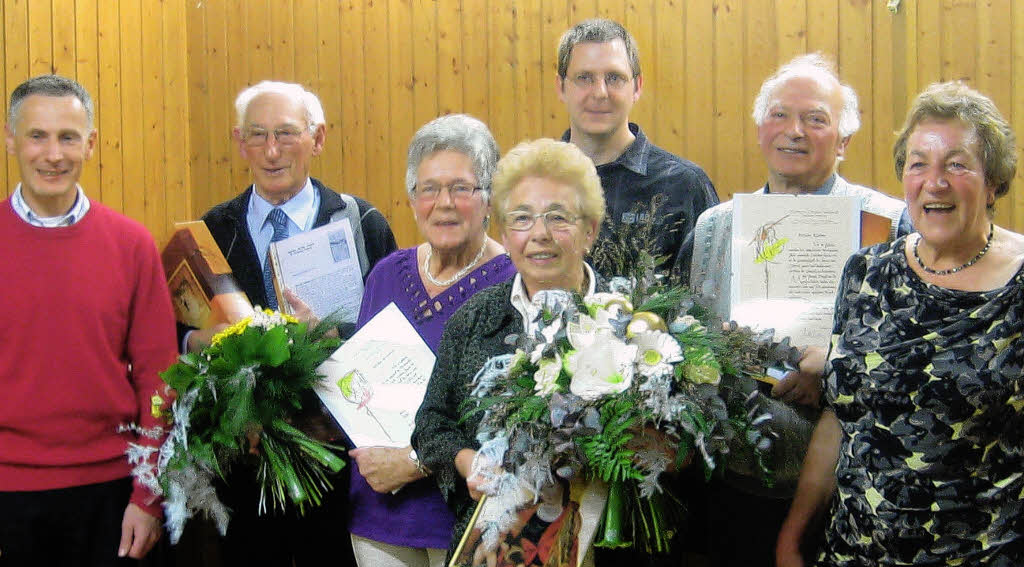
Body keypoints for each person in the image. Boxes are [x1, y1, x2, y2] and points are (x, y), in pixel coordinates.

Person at [777, 81, 1024, 566]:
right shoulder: (866, 272)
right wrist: (793, 534)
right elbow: (841, 416)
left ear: (993, 181)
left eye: (957, 164)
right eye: (918, 164)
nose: (936, 182)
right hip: (851, 553)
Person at [686, 53, 911, 566]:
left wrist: (834, 370)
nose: (794, 131)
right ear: (759, 130)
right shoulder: (713, 226)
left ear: (844, 141)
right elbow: (688, 339)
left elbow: (913, 350)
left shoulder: (889, 227)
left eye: (815, 119)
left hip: (851, 491)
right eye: (779, 115)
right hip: (732, 483)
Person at [189, 80, 397, 567]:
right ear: (240, 142)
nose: (272, 150)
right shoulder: (213, 231)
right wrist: (199, 342)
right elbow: (186, 336)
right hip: (246, 464)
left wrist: (334, 337)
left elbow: (394, 339)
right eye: (257, 135)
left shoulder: (360, 222)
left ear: (317, 138)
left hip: (340, 463)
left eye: (286, 133)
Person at [0, 75, 177, 564]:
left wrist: (147, 496)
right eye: (37, 136)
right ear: (11, 140)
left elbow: (159, 378)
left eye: (68, 137)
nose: (53, 154)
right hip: (8, 494)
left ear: (91, 143)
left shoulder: (131, 244)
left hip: (112, 495)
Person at [412, 138, 605, 564]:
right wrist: (467, 461)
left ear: (589, 230)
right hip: (496, 545)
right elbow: (431, 424)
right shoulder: (473, 319)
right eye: (521, 218)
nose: (539, 234)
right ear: (503, 233)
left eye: (558, 217)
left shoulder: (630, 321)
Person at [346, 114, 515, 567]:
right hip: (379, 507)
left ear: (489, 197)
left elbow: (511, 417)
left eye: (461, 188)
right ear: (412, 198)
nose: (444, 204)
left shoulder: (514, 285)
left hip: (464, 513)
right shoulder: (386, 274)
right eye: (429, 189)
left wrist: (414, 461)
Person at [556, 18, 717, 278]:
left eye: (614, 78)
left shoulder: (684, 185)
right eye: (584, 78)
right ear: (561, 87)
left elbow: (711, 291)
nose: (600, 92)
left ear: (637, 87)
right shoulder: (535, 181)